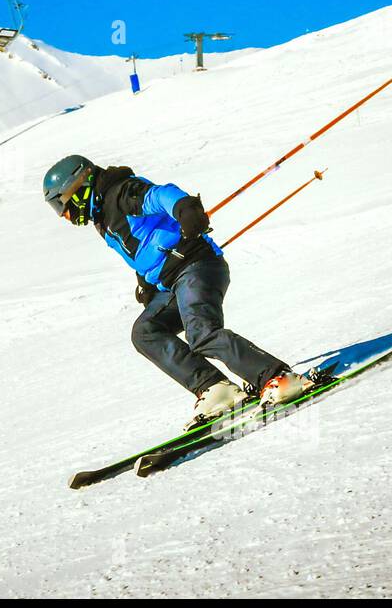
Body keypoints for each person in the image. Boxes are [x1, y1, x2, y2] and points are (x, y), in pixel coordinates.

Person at [42, 155, 304, 425]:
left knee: (201, 334)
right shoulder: (102, 219)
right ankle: (215, 388)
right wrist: (146, 284)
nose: (65, 215)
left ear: (79, 187)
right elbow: (143, 248)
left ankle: (278, 377)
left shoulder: (121, 191)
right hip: (172, 282)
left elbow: (160, 195)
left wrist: (185, 209)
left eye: (62, 204)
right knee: (145, 332)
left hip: (195, 265)